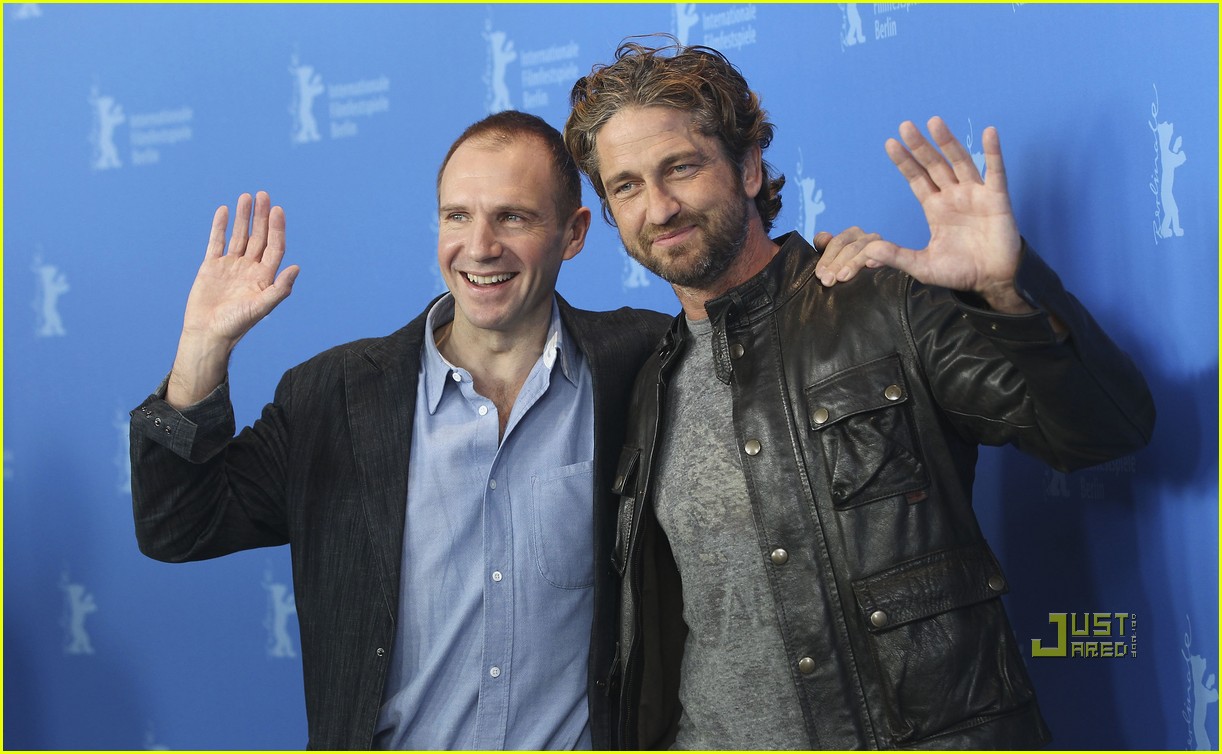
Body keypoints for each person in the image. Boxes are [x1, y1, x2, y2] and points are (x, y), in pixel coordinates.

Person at [564, 40, 1156, 749]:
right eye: (626, 186)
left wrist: (1005, 289)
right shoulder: (645, 384)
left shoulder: (879, 307)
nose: (658, 207)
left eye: (681, 168)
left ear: (749, 166)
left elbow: (1103, 431)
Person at [129, 111, 675, 749]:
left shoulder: (642, 363)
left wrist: (820, 275)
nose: (479, 247)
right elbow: (178, 525)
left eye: (513, 217)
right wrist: (201, 349)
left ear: (573, 233)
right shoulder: (332, 397)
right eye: (457, 216)